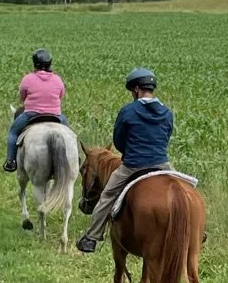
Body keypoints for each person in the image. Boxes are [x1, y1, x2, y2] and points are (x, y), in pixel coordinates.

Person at [75, 69, 175, 253]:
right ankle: (199, 230)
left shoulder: (128, 111)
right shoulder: (167, 112)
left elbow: (119, 140)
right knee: (184, 188)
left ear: (136, 89)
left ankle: (92, 237)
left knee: (107, 195)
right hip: (162, 164)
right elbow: (166, 137)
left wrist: (131, 152)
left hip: (133, 165)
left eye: (132, 90)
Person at [4, 49, 68, 171]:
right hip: (55, 115)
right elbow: (61, 96)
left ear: (35, 64)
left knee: (13, 132)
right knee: (70, 135)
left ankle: (11, 160)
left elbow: (22, 96)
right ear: (50, 63)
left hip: (32, 114)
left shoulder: (28, 79)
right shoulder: (58, 79)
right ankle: (74, 158)